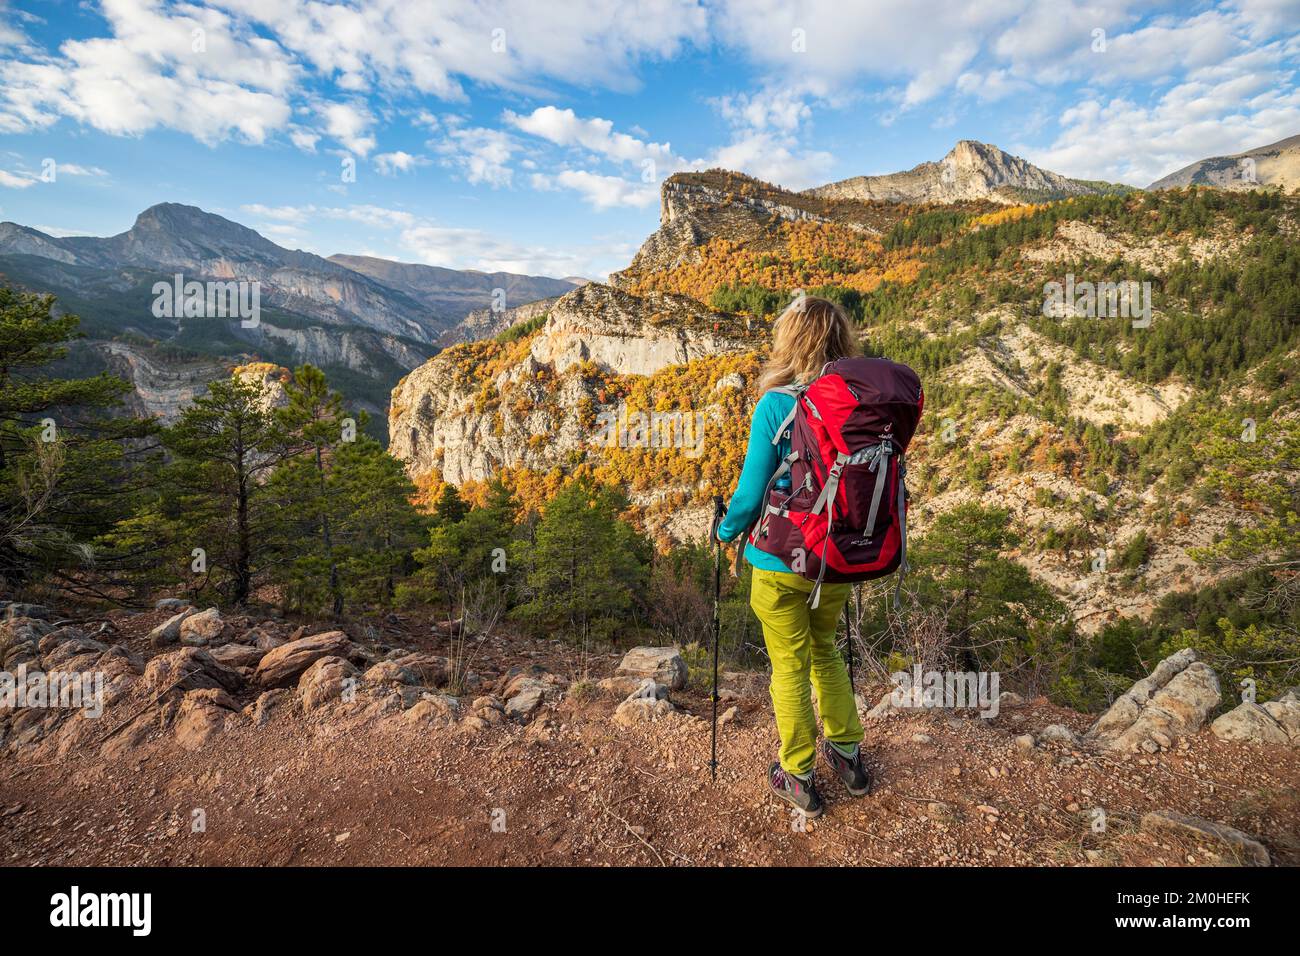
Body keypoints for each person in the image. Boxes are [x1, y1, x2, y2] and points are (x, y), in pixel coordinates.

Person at [715, 296, 870, 818]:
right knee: (825, 650)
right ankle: (848, 757)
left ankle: (798, 774)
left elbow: (750, 493)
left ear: (789, 342)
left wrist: (725, 531)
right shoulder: (859, 404)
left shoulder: (776, 405)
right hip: (838, 557)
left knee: (789, 663)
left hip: (782, 560)